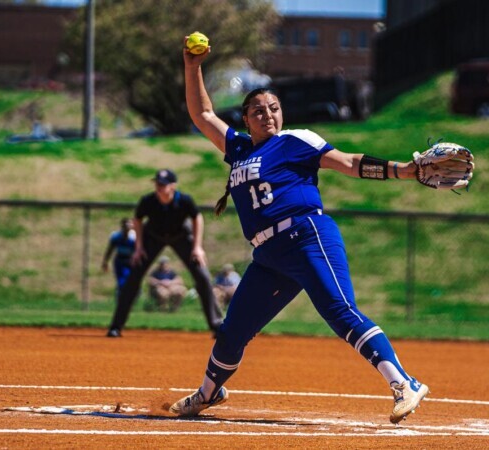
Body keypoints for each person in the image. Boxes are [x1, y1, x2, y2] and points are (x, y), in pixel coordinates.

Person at [170, 38, 431, 425]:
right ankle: (208, 393)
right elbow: (203, 114)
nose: (268, 115)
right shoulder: (239, 149)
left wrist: (402, 170)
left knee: (339, 312)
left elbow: (348, 162)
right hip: (268, 255)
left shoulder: (295, 141)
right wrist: (192, 66)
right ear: (246, 119)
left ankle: (404, 382)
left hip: (308, 236)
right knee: (233, 331)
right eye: (258, 111)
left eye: (274, 109)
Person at [106, 168, 224, 338]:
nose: (159, 187)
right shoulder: (148, 200)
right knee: (133, 276)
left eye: (163, 184)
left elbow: (197, 218)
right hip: (153, 236)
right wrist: (139, 247)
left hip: (181, 236)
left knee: (202, 276)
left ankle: (216, 325)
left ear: (173, 186)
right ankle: (116, 326)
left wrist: (197, 247)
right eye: (157, 184)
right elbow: (137, 219)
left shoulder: (184, 200)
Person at [101, 218, 136, 302]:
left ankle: (130, 297)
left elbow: (138, 250)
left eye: (129, 224)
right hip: (120, 261)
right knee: (121, 282)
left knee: (130, 281)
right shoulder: (116, 236)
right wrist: (105, 261)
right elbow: (110, 249)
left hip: (130, 261)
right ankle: (121, 300)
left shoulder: (134, 237)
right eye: (126, 225)